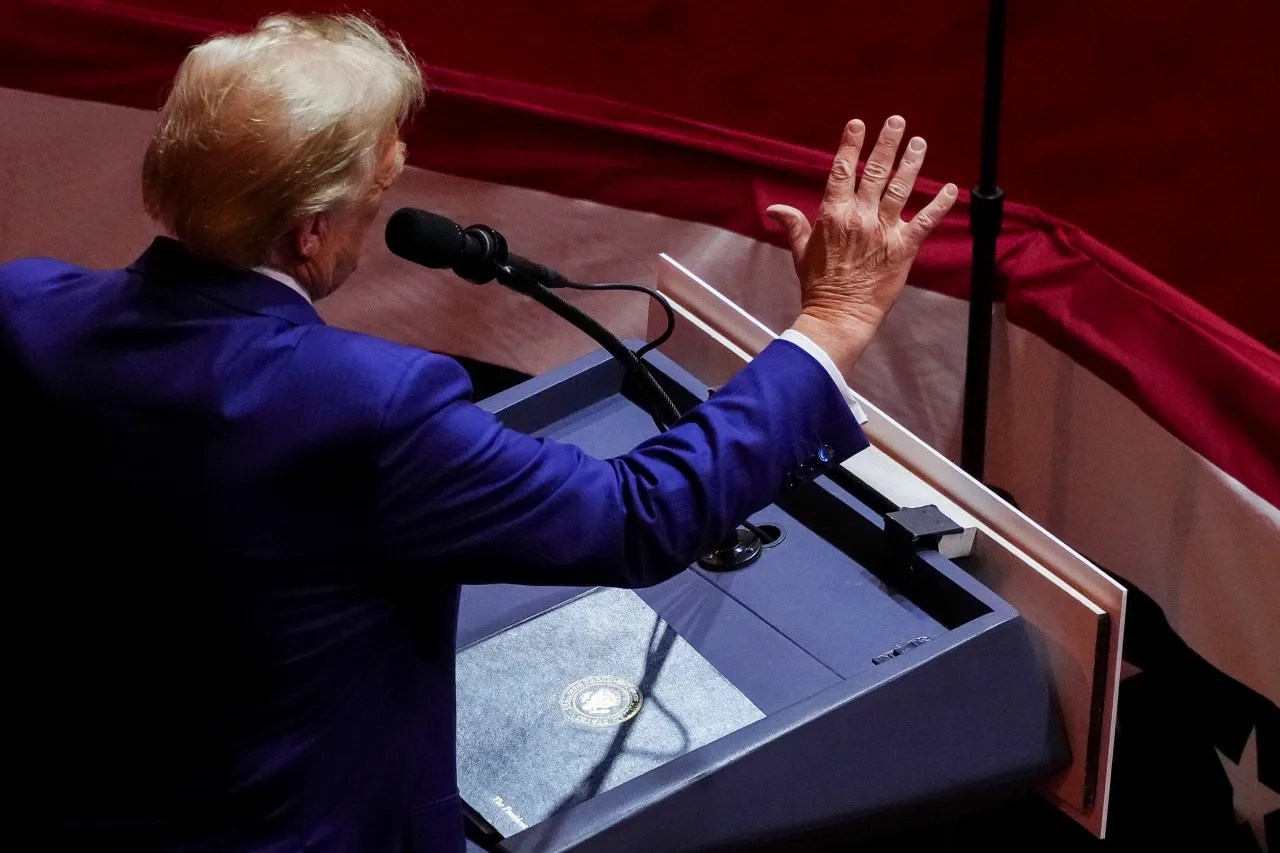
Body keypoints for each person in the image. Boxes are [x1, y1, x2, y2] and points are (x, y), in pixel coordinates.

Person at [1, 13, 957, 853]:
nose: (381, 209)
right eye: (374, 195)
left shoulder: (23, 309)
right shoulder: (367, 405)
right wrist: (833, 319)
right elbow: (634, 516)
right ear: (309, 233)